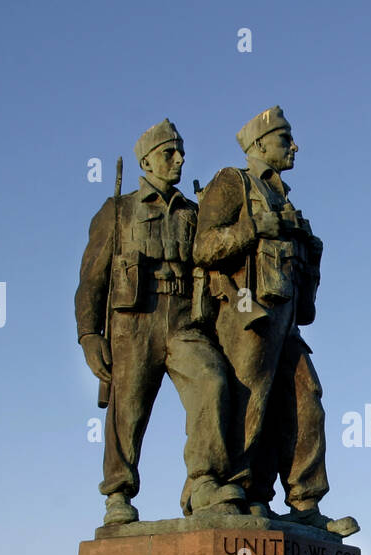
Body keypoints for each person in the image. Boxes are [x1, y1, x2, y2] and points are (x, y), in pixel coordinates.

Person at [194, 106, 357, 536]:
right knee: (251, 398)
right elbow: (204, 246)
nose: (294, 146)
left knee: (307, 395)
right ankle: (236, 490)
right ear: (260, 144)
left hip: (285, 318)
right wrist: (254, 228)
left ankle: (305, 501)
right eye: (286, 139)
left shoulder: (286, 199)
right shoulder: (233, 182)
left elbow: (305, 296)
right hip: (245, 309)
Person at [75, 119, 245, 525]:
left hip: (185, 319)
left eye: (180, 151)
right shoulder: (118, 211)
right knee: (127, 411)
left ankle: (204, 482)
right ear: (147, 160)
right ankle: (118, 493)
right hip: (133, 322)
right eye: (170, 152)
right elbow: (91, 279)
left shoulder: (193, 211)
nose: (179, 159)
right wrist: (88, 335)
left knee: (213, 381)